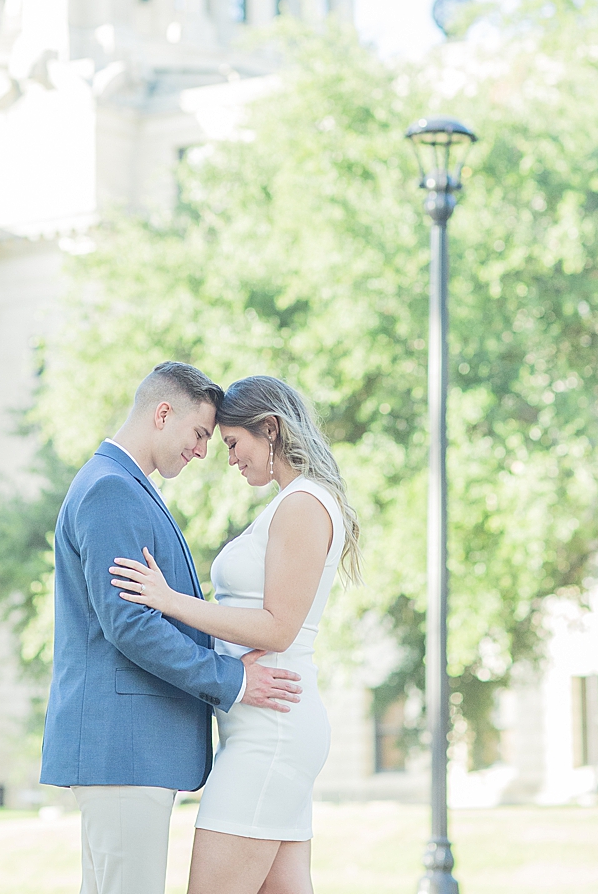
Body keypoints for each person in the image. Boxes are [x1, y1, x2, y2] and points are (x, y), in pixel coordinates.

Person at [41, 361, 304, 894]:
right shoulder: (112, 490)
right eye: (200, 433)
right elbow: (131, 625)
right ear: (163, 414)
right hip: (125, 750)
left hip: (128, 752)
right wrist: (234, 679)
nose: (203, 451)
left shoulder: (122, 486)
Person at [108, 375, 360, 894]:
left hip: (271, 734)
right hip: (266, 729)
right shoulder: (292, 502)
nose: (228, 459)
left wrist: (171, 601)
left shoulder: (303, 504)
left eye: (231, 443)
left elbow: (279, 627)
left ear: (270, 429)